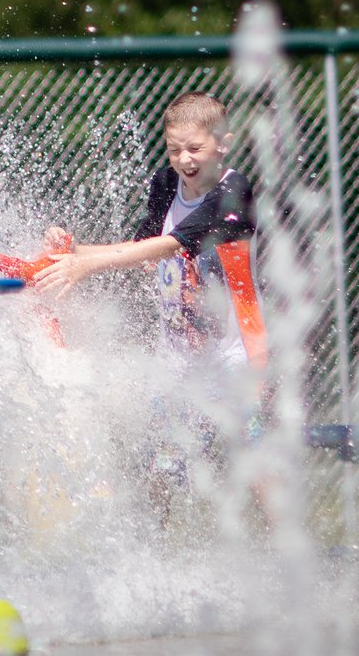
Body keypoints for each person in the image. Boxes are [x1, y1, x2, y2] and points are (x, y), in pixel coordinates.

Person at [30, 91, 265, 516]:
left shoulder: (234, 191)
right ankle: (148, 560)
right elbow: (142, 249)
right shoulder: (165, 183)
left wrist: (87, 265)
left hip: (236, 355)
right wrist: (75, 252)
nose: (185, 159)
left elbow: (170, 246)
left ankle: (288, 562)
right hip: (178, 356)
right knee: (160, 462)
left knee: (259, 462)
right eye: (175, 149)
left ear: (223, 143)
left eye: (196, 148)